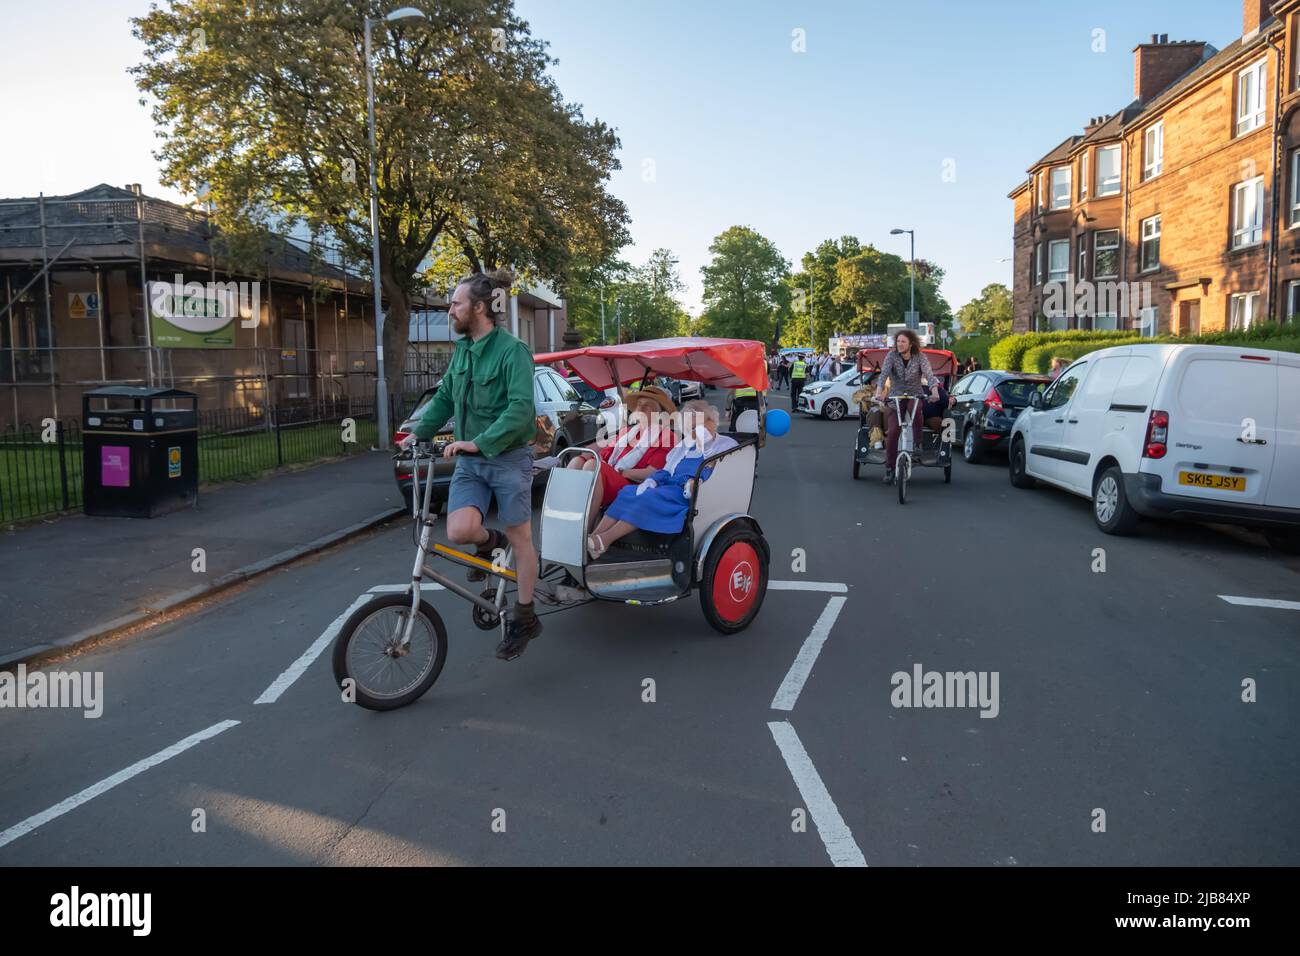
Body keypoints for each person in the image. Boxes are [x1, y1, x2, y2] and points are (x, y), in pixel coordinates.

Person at [405, 269, 543, 661]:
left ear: (478, 308)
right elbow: (446, 397)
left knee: (521, 537)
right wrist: (419, 433)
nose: (450, 309)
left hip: (507, 459)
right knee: (461, 529)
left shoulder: (512, 351)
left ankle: (526, 616)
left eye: (456, 303)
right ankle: (490, 542)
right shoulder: (463, 350)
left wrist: (478, 442)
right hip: (471, 461)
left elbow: (520, 412)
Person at [586, 401, 737, 558]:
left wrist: (704, 449)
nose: (694, 431)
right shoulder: (684, 446)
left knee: (648, 497)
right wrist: (653, 481)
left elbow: (713, 468)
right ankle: (595, 536)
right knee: (628, 492)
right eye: (690, 427)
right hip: (668, 486)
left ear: (711, 422)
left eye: (698, 426)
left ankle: (604, 540)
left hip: (689, 492)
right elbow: (666, 470)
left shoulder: (725, 444)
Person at [567, 385, 677, 529]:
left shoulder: (667, 436)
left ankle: (583, 530)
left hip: (633, 485)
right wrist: (586, 454)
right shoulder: (627, 431)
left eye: (648, 407)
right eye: (639, 405)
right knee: (577, 462)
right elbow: (605, 454)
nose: (641, 409)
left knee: (591, 466)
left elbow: (653, 472)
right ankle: (568, 520)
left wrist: (623, 472)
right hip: (611, 475)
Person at [873, 329, 940, 484]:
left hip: (914, 394)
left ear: (911, 344)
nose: (900, 344)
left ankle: (917, 443)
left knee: (915, 409)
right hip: (895, 395)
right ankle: (889, 469)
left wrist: (934, 391)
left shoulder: (920, 357)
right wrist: (878, 393)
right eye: (898, 341)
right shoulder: (891, 356)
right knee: (893, 431)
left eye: (903, 341)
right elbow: (883, 375)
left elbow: (930, 376)